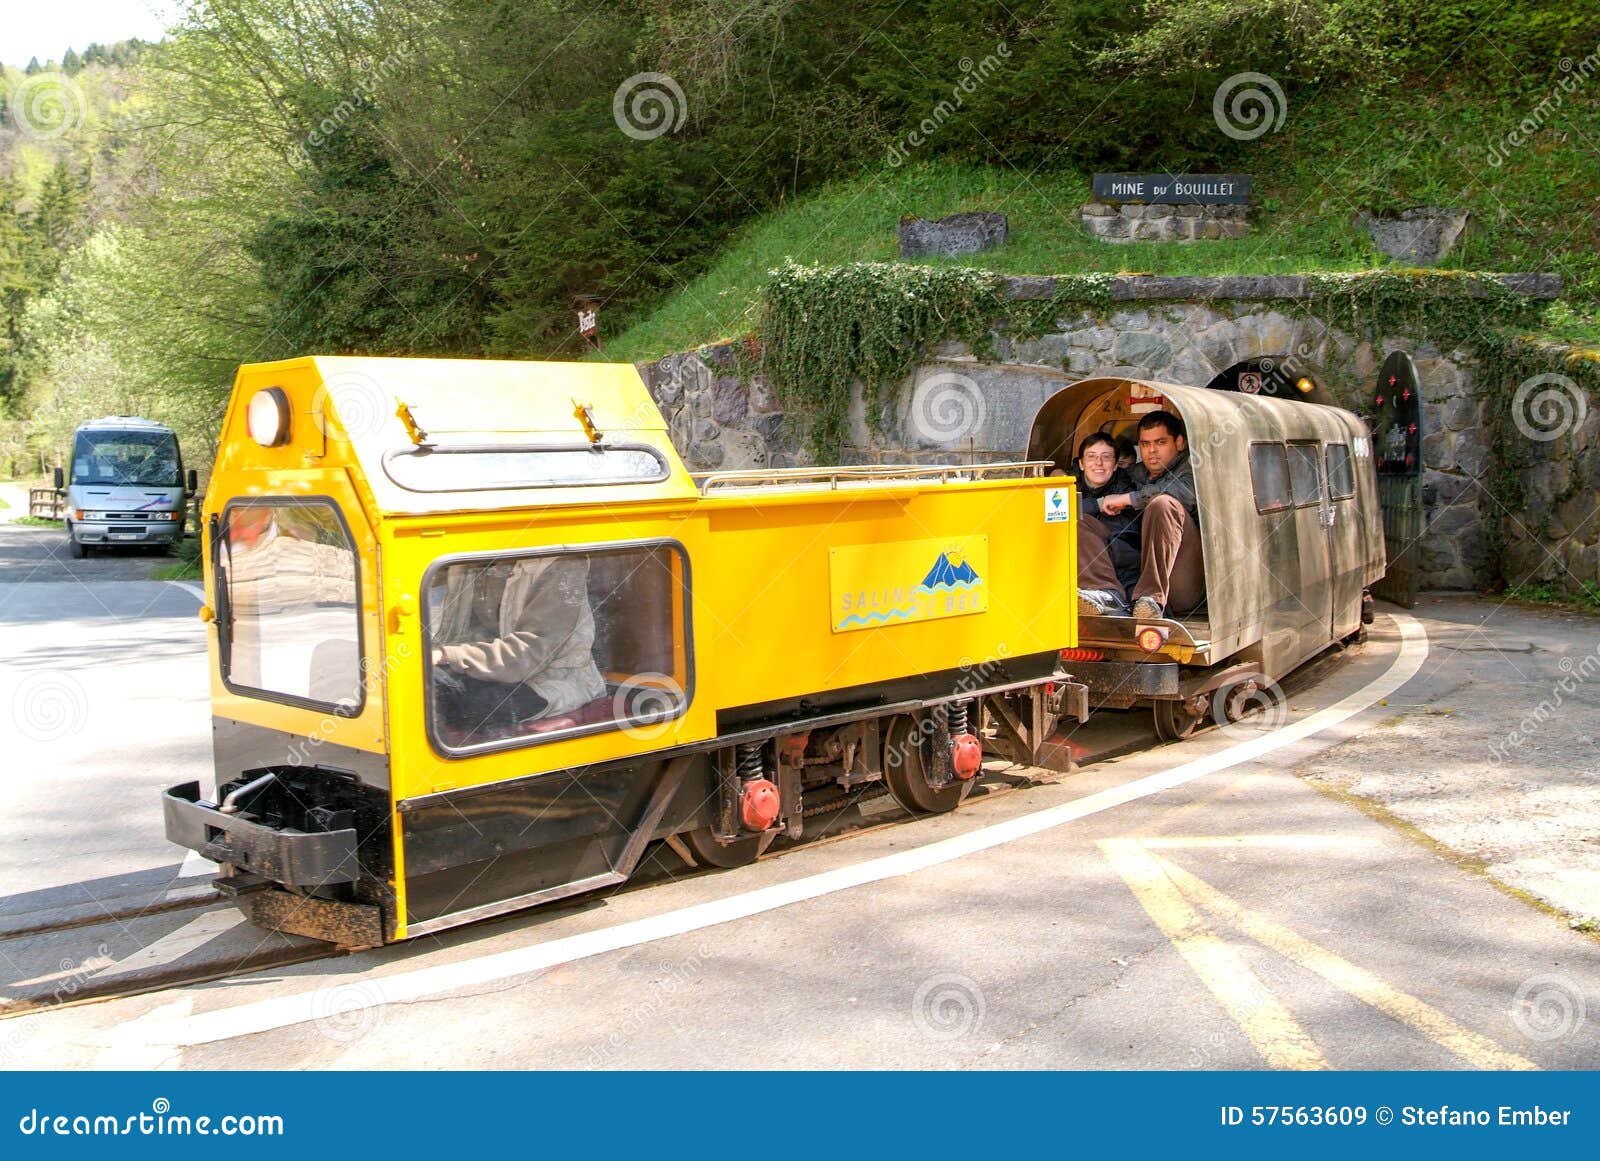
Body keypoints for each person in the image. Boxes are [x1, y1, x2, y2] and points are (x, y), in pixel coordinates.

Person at [430, 554, 606, 740]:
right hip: (488, 672)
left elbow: (530, 653)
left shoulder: (561, 562)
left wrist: (446, 655)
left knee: (432, 689)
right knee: (419, 677)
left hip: (545, 681)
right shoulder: (466, 555)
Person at [1078, 410, 1204, 620]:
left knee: (1162, 504)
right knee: (1082, 521)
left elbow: (1184, 492)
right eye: (1145, 444)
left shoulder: (1193, 469)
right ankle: (1107, 592)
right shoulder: (1135, 473)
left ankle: (1151, 598)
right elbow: (1099, 475)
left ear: (1179, 443)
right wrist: (1062, 475)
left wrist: (1128, 499)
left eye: (1160, 442)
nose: (1152, 451)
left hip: (1182, 581)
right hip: (1134, 574)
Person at [1072, 433, 1141, 615]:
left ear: (1116, 465)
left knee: (1079, 521)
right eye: (1091, 456)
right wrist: (1098, 504)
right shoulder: (1068, 487)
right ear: (1081, 464)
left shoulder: (1128, 490)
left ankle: (1109, 594)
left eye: (1106, 457)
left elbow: (1129, 544)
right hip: (1076, 574)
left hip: (1124, 568)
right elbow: (1055, 512)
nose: (1098, 463)